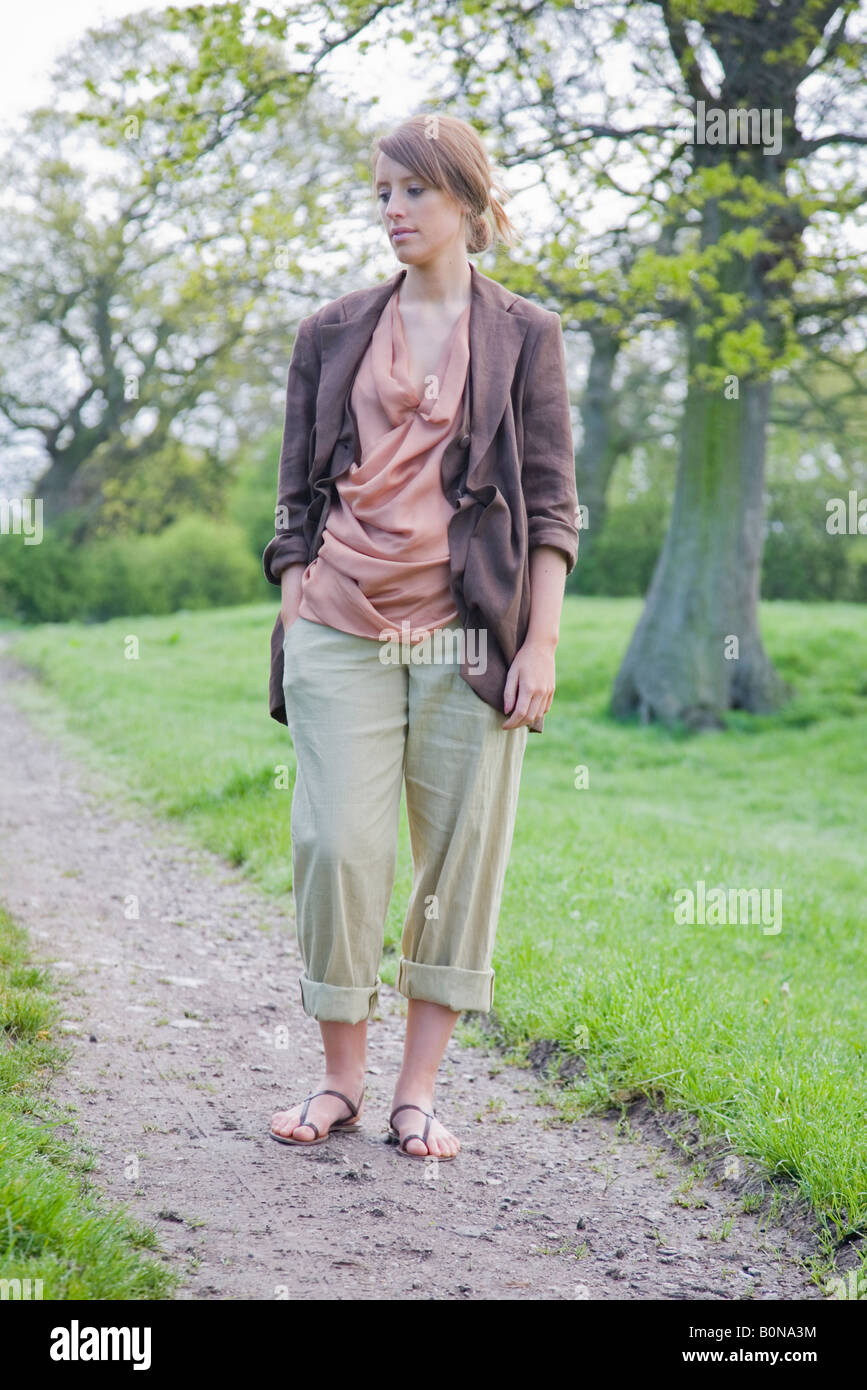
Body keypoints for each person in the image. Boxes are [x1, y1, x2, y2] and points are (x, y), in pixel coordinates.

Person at [264, 114, 579, 1160]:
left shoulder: (527, 335)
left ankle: (417, 1093)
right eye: (383, 193)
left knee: (457, 863)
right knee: (337, 846)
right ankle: (340, 1080)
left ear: (468, 205)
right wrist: (296, 590)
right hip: (341, 625)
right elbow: (294, 493)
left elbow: (551, 503)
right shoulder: (333, 328)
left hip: (469, 634)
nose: (393, 211)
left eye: (414, 193)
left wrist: (538, 643)